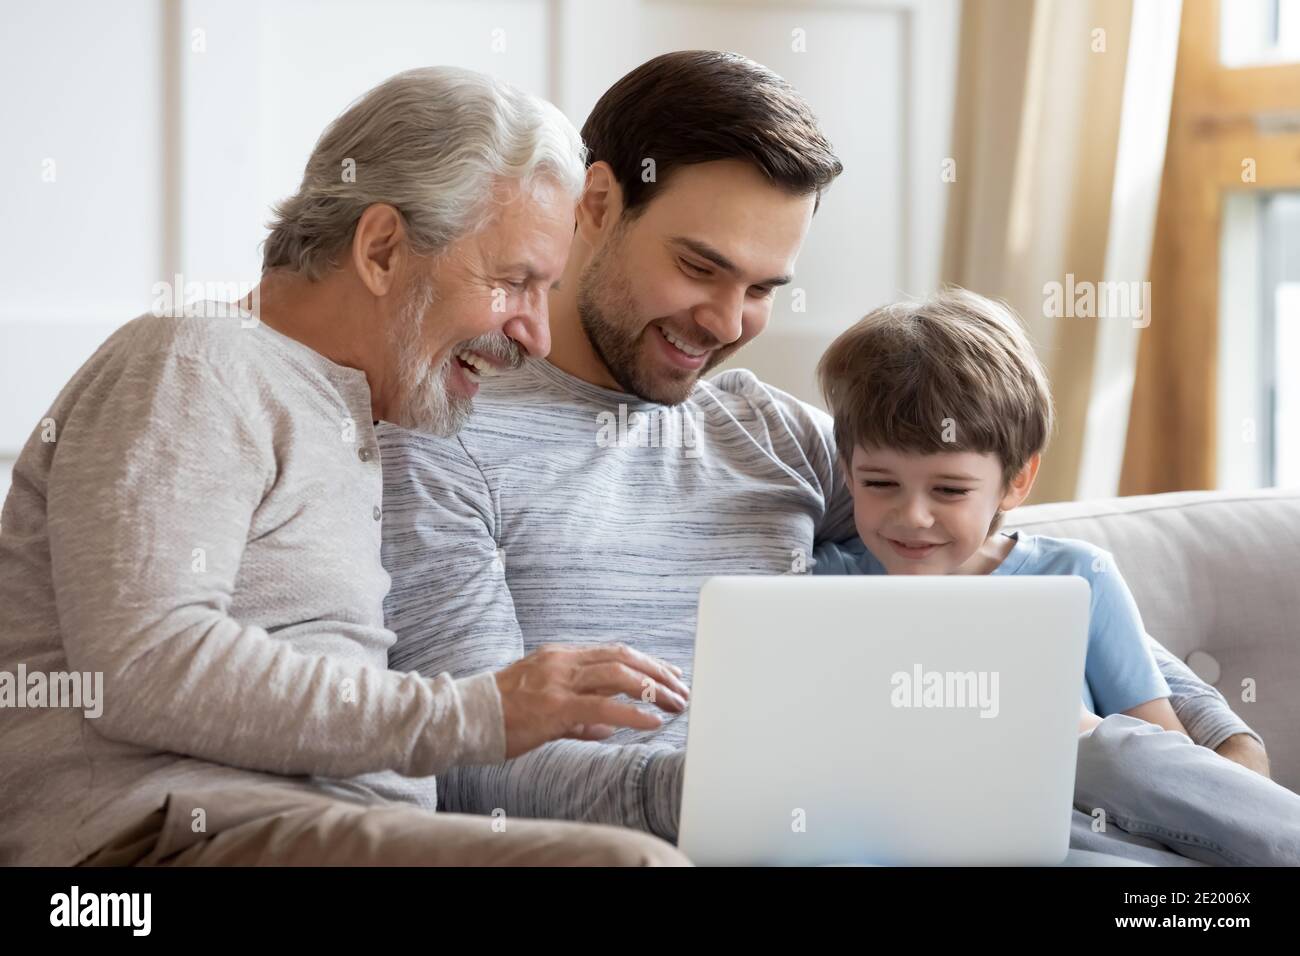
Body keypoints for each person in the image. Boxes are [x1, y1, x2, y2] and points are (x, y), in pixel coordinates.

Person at [378, 52, 1267, 865]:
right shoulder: (448, 441)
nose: (728, 325)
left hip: (936, 810)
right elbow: (472, 761)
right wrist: (742, 788)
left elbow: (995, 558)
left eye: (762, 290)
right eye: (700, 267)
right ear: (597, 204)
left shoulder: (772, 432)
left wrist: (1215, 737)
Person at [0, 66, 689, 867]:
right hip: (165, 840)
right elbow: (146, 665)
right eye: (512, 283)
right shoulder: (195, 359)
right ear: (382, 249)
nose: (536, 334)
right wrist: (482, 711)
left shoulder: (349, 414)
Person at [810, 287, 1300, 866]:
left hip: (1091, 818)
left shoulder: (1077, 574)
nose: (913, 516)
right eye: (880, 483)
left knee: (1117, 755)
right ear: (847, 471)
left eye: (949, 490)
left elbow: (1164, 760)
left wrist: (1076, 735)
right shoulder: (823, 585)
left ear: (1017, 481)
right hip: (954, 830)